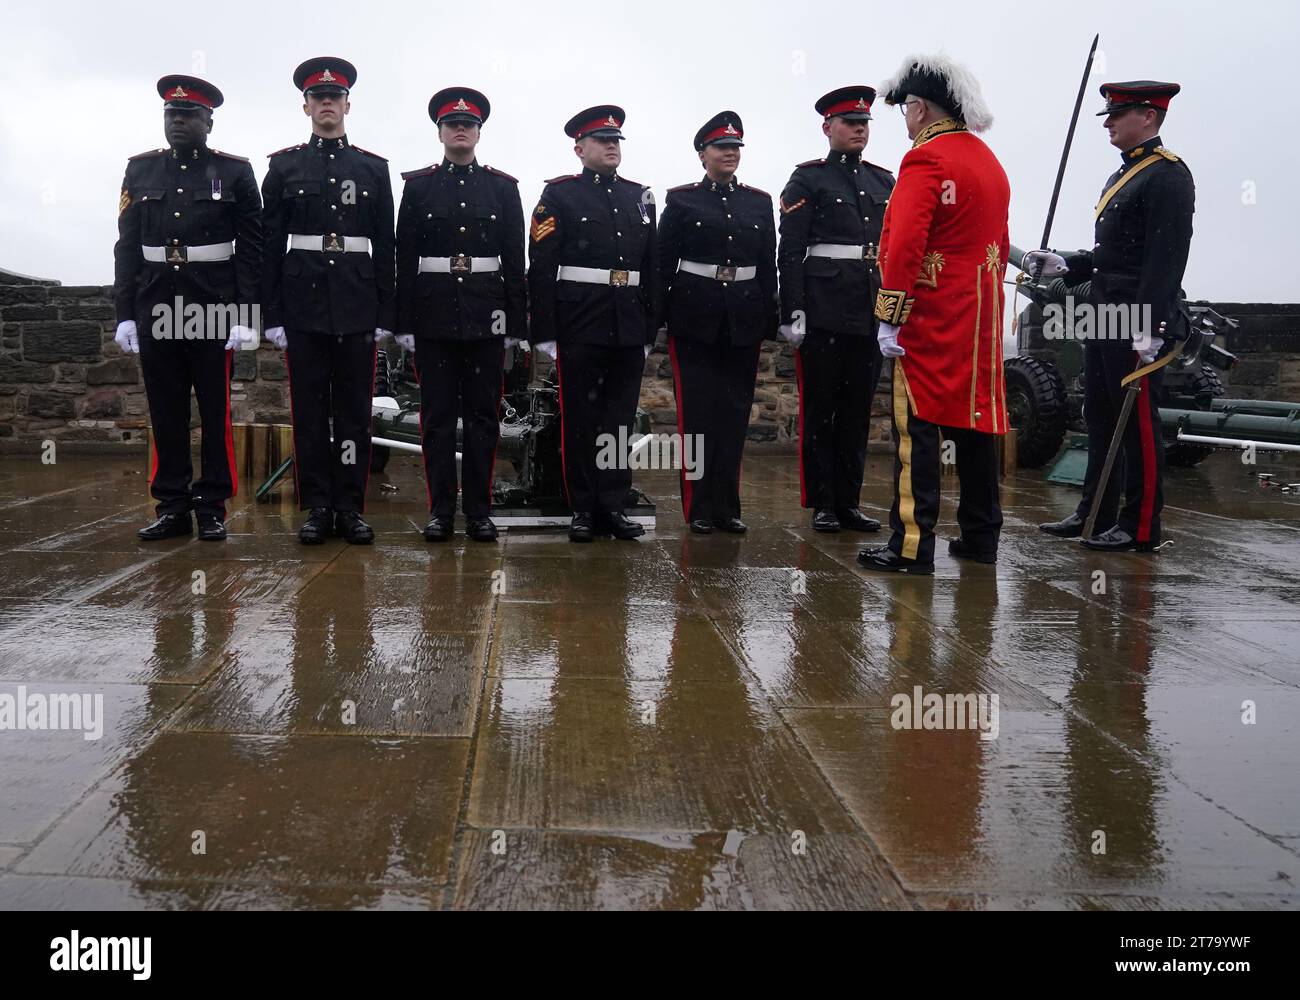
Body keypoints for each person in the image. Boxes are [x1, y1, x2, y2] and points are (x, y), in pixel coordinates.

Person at [856, 54, 1010, 575]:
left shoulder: (926, 159)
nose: (904, 120)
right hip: (982, 314)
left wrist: (889, 313)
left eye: (905, 110)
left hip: (934, 311)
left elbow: (904, 245)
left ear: (919, 108)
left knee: (916, 427)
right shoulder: (987, 159)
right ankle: (981, 535)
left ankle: (910, 545)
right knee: (976, 424)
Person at [1027, 81, 1194, 552]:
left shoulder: (1168, 175)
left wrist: (1150, 325)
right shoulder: (1124, 175)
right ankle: (1094, 513)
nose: (1109, 122)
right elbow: (1114, 255)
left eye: (1118, 114)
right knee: (1100, 416)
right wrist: (1067, 263)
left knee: (1137, 423)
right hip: (1105, 316)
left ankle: (1141, 527)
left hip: (1135, 319)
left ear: (1148, 116)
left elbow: (1165, 258)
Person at [113, 75, 262, 541]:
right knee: (166, 411)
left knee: (214, 410)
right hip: (156, 305)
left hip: (213, 306)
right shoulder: (140, 170)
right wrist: (123, 312)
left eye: (188, 115)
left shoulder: (235, 172)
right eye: (171, 115)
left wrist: (247, 314)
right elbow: (128, 246)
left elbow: (252, 249)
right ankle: (172, 505)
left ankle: (212, 506)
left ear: (208, 121)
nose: (178, 122)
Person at [260, 57, 395, 545]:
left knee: (356, 414)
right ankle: (318, 506)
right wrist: (271, 315)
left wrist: (386, 312)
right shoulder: (284, 165)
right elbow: (268, 246)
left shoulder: (373, 169)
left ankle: (351, 507)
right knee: (311, 414)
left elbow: (387, 248)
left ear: (347, 104)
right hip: (303, 306)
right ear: (306, 106)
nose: (326, 104)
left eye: (333, 97)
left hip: (357, 305)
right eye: (318, 98)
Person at [395, 87, 525, 543]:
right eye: (452, 124)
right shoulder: (418, 186)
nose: (461, 129)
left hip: (487, 316)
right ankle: (441, 512)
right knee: (436, 418)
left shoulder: (503, 189)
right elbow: (404, 258)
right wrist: (404, 322)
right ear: (440, 132)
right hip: (433, 318)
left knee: (484, 417)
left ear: (478, 132)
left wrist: (515, 323)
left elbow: (515, 259)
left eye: (468, 124)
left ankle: (479, 512)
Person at [526, 105, 658, 542]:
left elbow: (652, 268)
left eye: (616, 140)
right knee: (579, 419)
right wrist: (545, 331)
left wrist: (649, 326)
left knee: (618, 420)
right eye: (602, 140)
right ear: (579, 149)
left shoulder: (640, 197)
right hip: (579, 322)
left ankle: (613, 505)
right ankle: (582, 506)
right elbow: (541, 268)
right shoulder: (558, 196)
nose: (611, 146)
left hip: (628, 324)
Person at [777, 86, 895, 534]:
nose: (859, 129)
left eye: (864, 123)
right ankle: (823, 502)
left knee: (857, 412)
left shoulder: (883, 181)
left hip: (868, 307)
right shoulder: (807, 180)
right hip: (824, 309)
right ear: (828, 128)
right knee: (821, 409)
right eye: (849, 123)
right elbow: (790, 251)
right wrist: (794, 312)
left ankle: (849, 500)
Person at [657, 111, 777, 534]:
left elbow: (767, 264)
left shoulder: (758, 202)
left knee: (734, 413)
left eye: (735, 148)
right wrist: (655, 319)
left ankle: (728, 505)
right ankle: (699, 507)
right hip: (693, 316)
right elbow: (661, 264)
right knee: (698, 415)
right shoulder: (682, 200)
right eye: (721, 148)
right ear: (702, 155)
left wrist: (771, 317)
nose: (730, 153)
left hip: (742, 318)